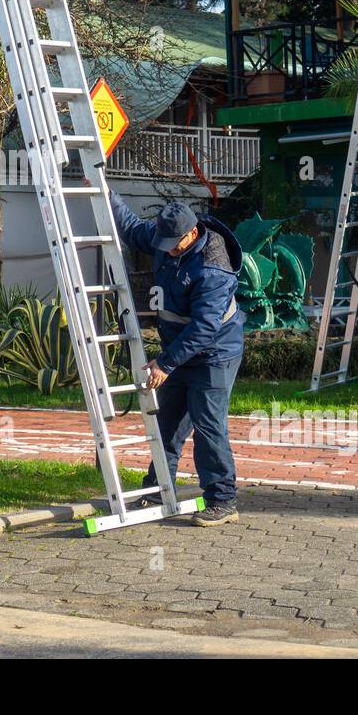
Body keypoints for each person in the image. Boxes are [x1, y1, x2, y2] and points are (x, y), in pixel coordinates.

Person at [109, 189, 244, 526]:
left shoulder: (213, 267)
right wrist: (104, 191)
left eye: (173, 243)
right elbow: (128, 227)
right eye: (163, 241)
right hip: (178, 352)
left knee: (208, 426)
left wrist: (166, 364)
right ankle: (157, 491)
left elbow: (204, 327)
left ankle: (222, 500)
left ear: (192, 233)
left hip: (214, 353)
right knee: (167, 423)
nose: (165, 249)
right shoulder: (164, 239)